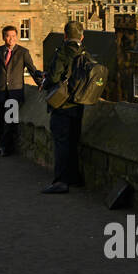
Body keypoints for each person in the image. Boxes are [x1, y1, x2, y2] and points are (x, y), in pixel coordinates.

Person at [42, 21, 93, 194]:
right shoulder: (85, 54)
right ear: (82, 37)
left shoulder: (62, 53)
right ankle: (75, 178)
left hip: (62, 105)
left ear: (65, 36)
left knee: (61, 143)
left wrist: (45, 81)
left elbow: (55, 77)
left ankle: (61, 182)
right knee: (73, 142)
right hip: (78, 105)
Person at [0, 25, 43, 156]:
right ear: (3, 37)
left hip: (15, 92)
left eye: (14, 36)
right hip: (0, 91)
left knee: (10, 121)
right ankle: (2, 144)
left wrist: (40, 83)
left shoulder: (23, 52)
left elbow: (32, 69)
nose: (11, 39)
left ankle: (5, 147)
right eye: (8, 36)